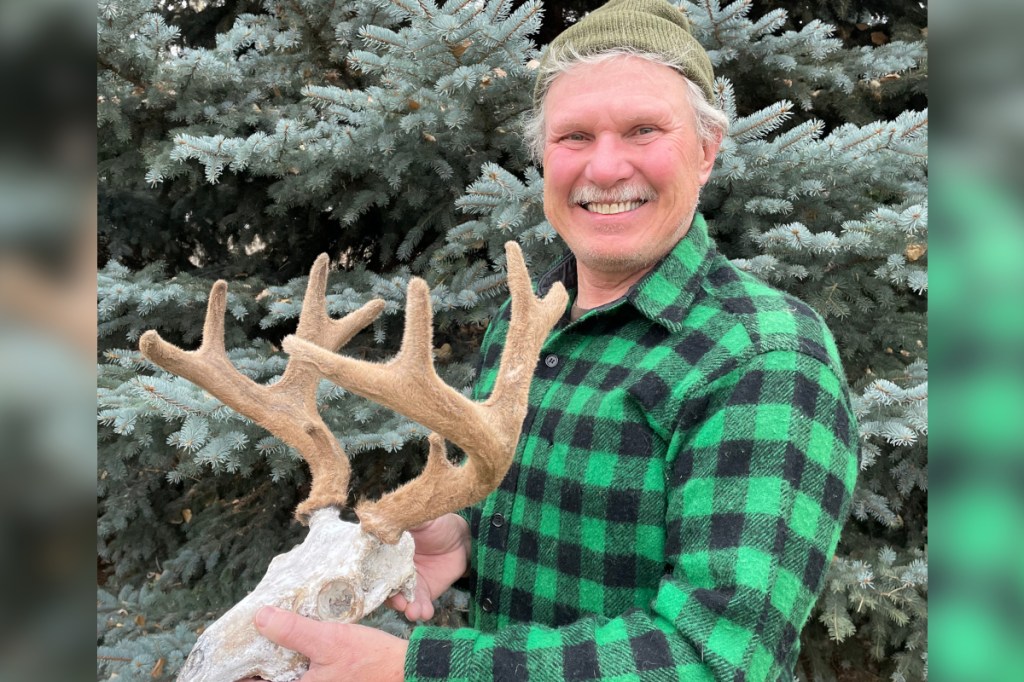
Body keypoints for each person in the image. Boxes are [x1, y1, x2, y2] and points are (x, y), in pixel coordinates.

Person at [243, 0, 859, 679]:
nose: (605, 168)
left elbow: (715, 659)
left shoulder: (764, 357)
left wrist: (418, 670)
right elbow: (575, 546)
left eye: (643, 130)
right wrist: (465, 541)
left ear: (706, 151)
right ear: (543, 158)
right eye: (573, 137)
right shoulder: (528, 324)